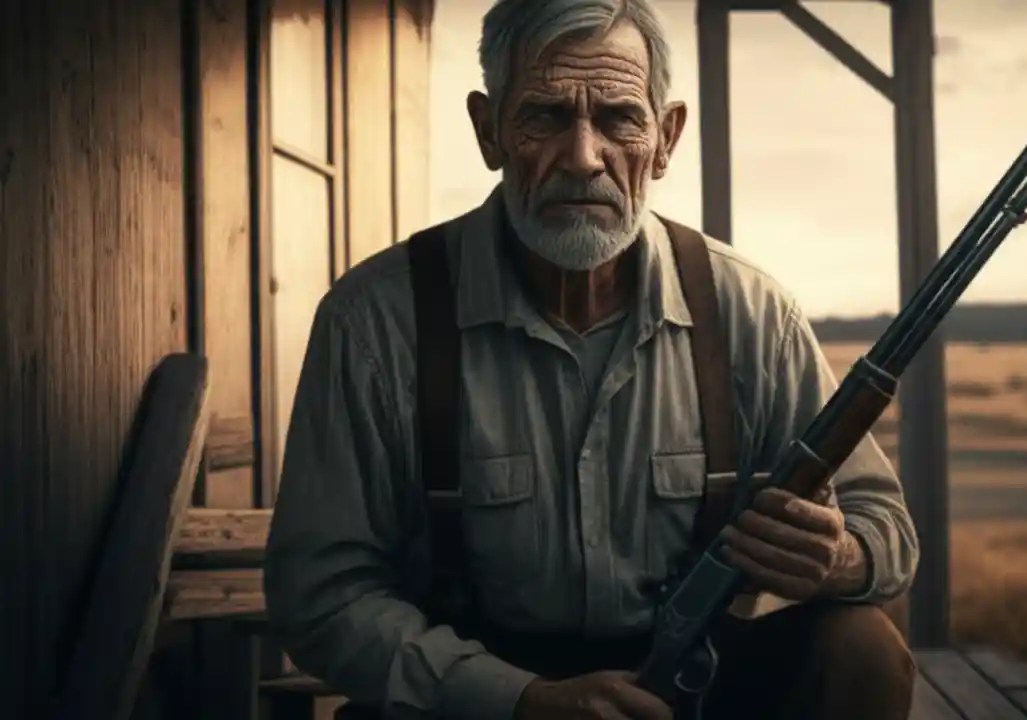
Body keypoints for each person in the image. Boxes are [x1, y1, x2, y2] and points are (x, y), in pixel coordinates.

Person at [264, 1, 920, 718]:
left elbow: (884, 526)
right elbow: (320, 594)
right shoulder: (375, 321)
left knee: (862, 651)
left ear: (665, 139)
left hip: (693, 683)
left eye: (617, 119)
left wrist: (837, 558)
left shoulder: (752, 312)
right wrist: (518, 700)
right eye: (545, 116)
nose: (583, 158)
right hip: (476, 695)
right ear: (489, 130)